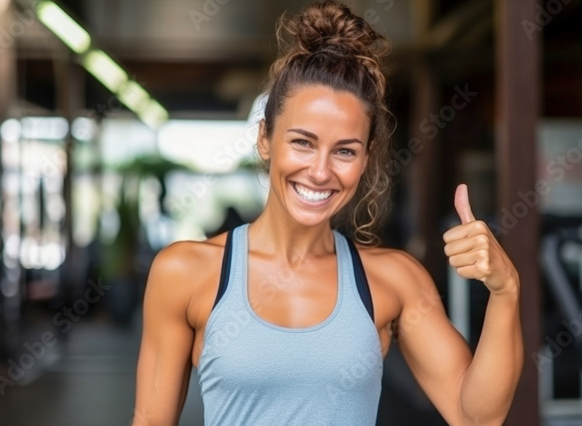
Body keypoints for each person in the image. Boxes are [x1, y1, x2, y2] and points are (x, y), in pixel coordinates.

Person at [132, 2, 522, 425]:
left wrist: (506, 291)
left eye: (345, 151)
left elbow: (478, 417)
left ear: (367, 157)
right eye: (302, 142)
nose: (320, 171)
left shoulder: (393, 279)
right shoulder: (185, 272)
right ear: (265, 138)